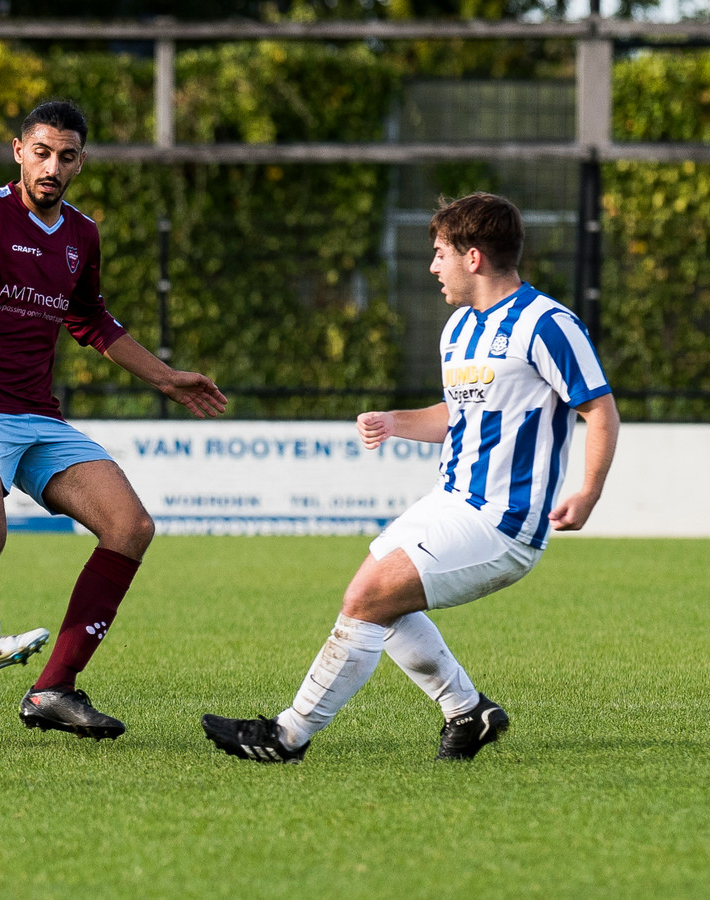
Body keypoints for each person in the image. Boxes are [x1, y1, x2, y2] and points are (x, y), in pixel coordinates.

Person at [202, 192, 620, 763]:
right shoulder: (457, 329)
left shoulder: (546, 324)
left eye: (440, 252)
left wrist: (588, 491)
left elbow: (598, 408)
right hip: (449, 501)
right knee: (379, 597)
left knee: (367, 596)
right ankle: (467, 713)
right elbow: (458, 414)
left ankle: (288, 735)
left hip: (502, 520)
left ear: (473, 257)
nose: (432, 266)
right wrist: (394, 421)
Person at [0, 100, 228, 743]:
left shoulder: (83, 235)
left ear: (80, 162)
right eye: (42, 152)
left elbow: (92, 321)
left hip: (37, 415)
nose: (52, 166)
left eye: (66, 156)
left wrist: (167, 377)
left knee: (131, 526)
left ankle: (52, 688)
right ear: (18, 152)